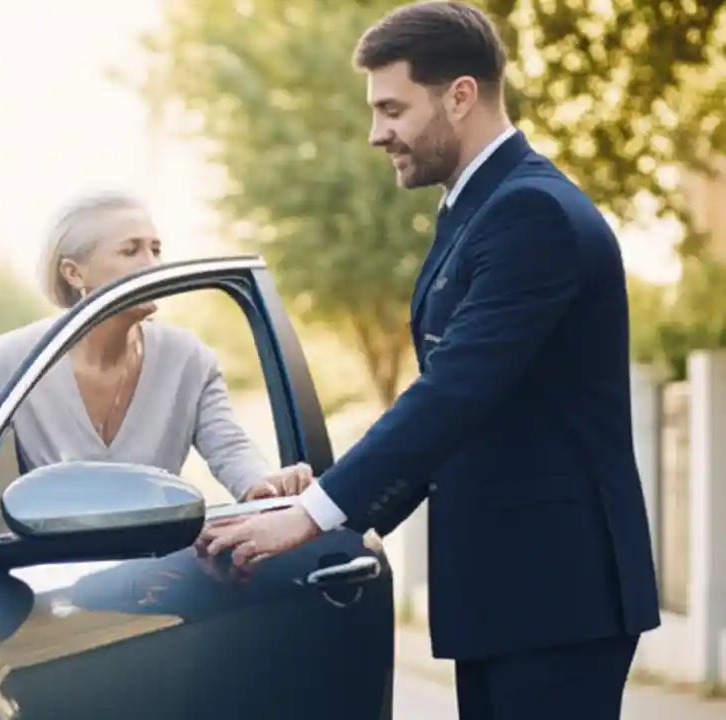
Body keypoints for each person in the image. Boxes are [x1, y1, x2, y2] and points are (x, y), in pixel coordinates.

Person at [201, 2, 661, 718]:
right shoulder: (475, 210)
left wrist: (315, 517)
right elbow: (463, 418)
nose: (376, 133)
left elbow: (454, 392)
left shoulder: (531, 214)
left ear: (461, 95)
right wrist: (327, 505)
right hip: (510, 598)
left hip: (558, 598)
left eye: (392, 108)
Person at [0, 191, 313, 502]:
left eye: (156, 249)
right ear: (74, 272)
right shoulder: (6, 362)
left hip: (155, 573)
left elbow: (232, 450)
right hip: (43, 578)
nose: (153, 265)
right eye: (130, 251)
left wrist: (263, 486)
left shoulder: (188, 358)